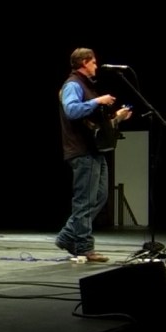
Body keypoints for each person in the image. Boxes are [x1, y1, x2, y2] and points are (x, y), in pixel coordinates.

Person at [54, 48, 132, 262]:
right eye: (94, 62)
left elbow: (93, 125)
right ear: (85, 62)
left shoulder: (87, 86)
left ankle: (67, 236)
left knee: (99, 197)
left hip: (94, 149)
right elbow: (72, 110)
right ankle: (83, 247)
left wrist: (116, 118)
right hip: (81, 151)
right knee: (85, 200)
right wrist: (97, 102)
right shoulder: (72, 85)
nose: (96, 66)